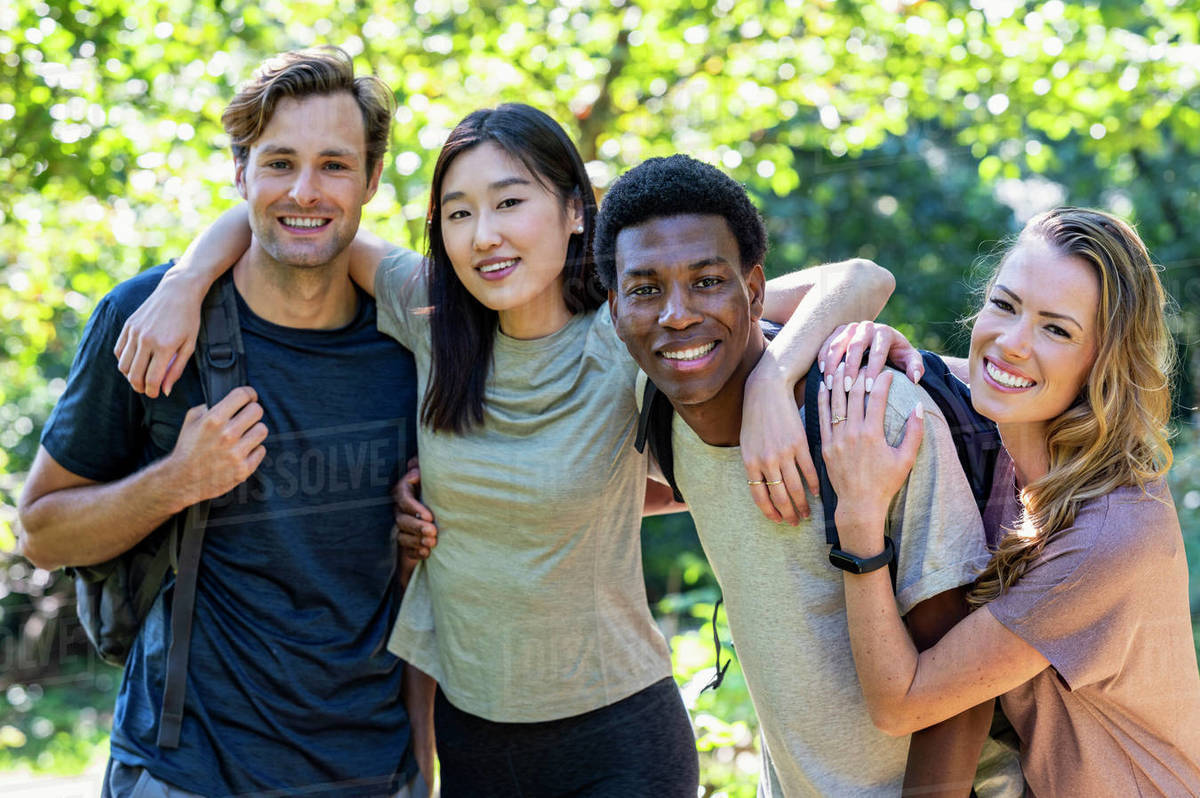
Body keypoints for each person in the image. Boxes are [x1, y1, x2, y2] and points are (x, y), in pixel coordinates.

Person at [110, 104, 895, 796]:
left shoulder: (629, 332)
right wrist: (182, 283)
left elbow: (861, 278)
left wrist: (770, 384)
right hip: (474, 735)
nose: (483, 235)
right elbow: (292, 213)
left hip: (620, 733)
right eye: (457, 213)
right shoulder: (426, 315)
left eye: (510, 202)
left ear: (574, 213)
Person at [18, 49, 434, 797]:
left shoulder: (413, 343)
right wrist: (177, 481)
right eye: (279, 163)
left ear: (372, 180)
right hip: (186, 772)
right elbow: (42, 531)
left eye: (334, 165)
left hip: (372, 771)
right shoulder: (149, 324)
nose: (305, 191)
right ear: (239, 173)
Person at [599, 154, 1006, 797]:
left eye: (707, 281)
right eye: (646, 289)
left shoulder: (871, 413)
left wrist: (772, 379)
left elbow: (958, 690)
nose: (676, 314)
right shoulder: (656, 412)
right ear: (615, 310)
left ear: (754, 289)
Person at [815, 207, 1200, 796]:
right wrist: (801, 368)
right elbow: (761, 309)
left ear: (1103, 360)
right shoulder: (1005, 420)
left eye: (1057, 329)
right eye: (1005, 304)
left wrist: (860, 521)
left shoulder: (1109, 535)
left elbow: (904, 702)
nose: (1013, 343)